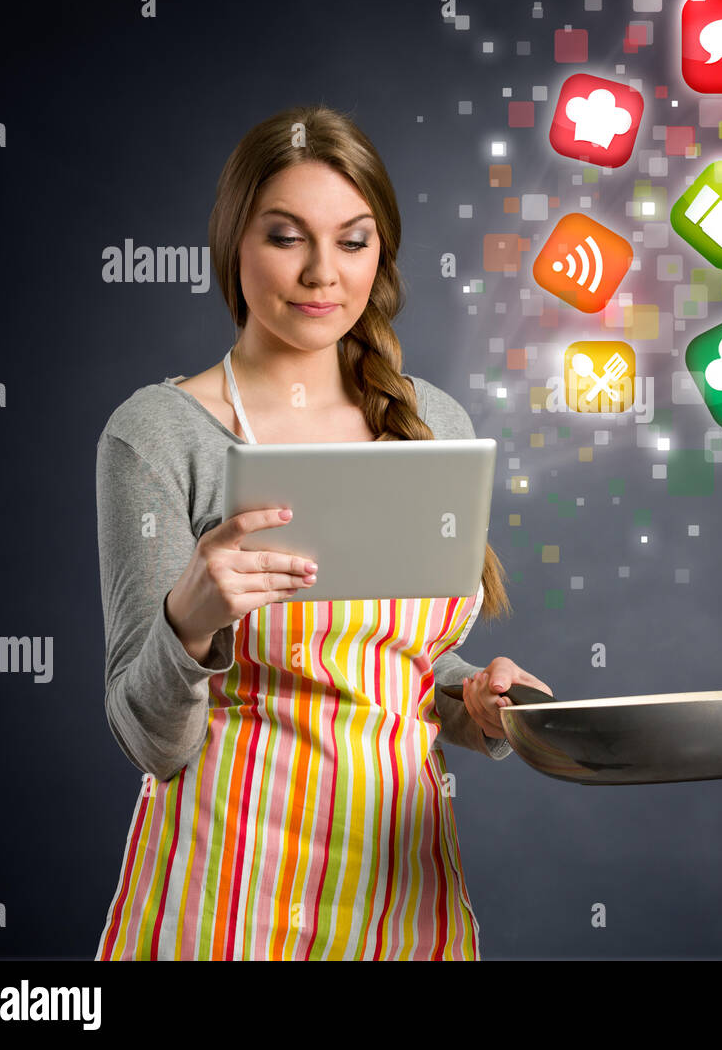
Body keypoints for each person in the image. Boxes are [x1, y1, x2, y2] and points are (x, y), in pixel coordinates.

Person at [94, 104, 550, 960]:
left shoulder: (435, 422)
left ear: (382, 253)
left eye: (352, 240)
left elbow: (393, 669)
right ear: (233, 243)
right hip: (223, 899)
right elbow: (150, 739)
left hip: (403, 900)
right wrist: (187, 621)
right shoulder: (160, 433)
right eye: (285, 236)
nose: (320, 273)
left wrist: (476, 703)